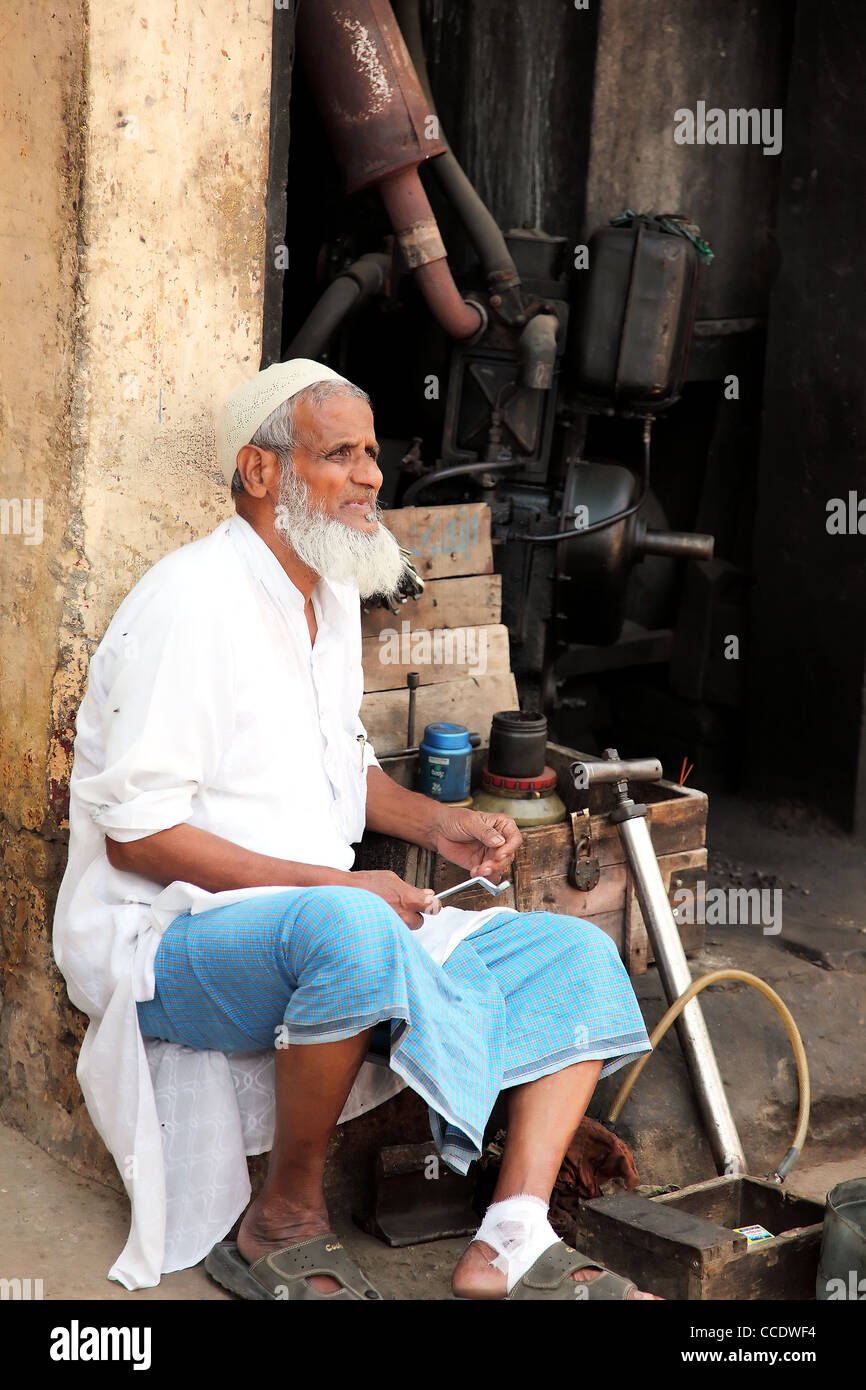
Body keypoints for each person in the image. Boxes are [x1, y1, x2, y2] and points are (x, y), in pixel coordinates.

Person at [53, 358, 657, 1301]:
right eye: (341, 453)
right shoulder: (188, 604)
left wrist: (444, 823)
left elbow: (344, 769)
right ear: (261, 474)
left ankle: (509, 1234)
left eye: (373, 452)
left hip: (311, 928)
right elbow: (139, 840)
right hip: (165, 942)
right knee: (354, 926)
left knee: (576, 954)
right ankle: (280, 1222)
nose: (374, 474)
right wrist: (336, 888)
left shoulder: (327, 597)